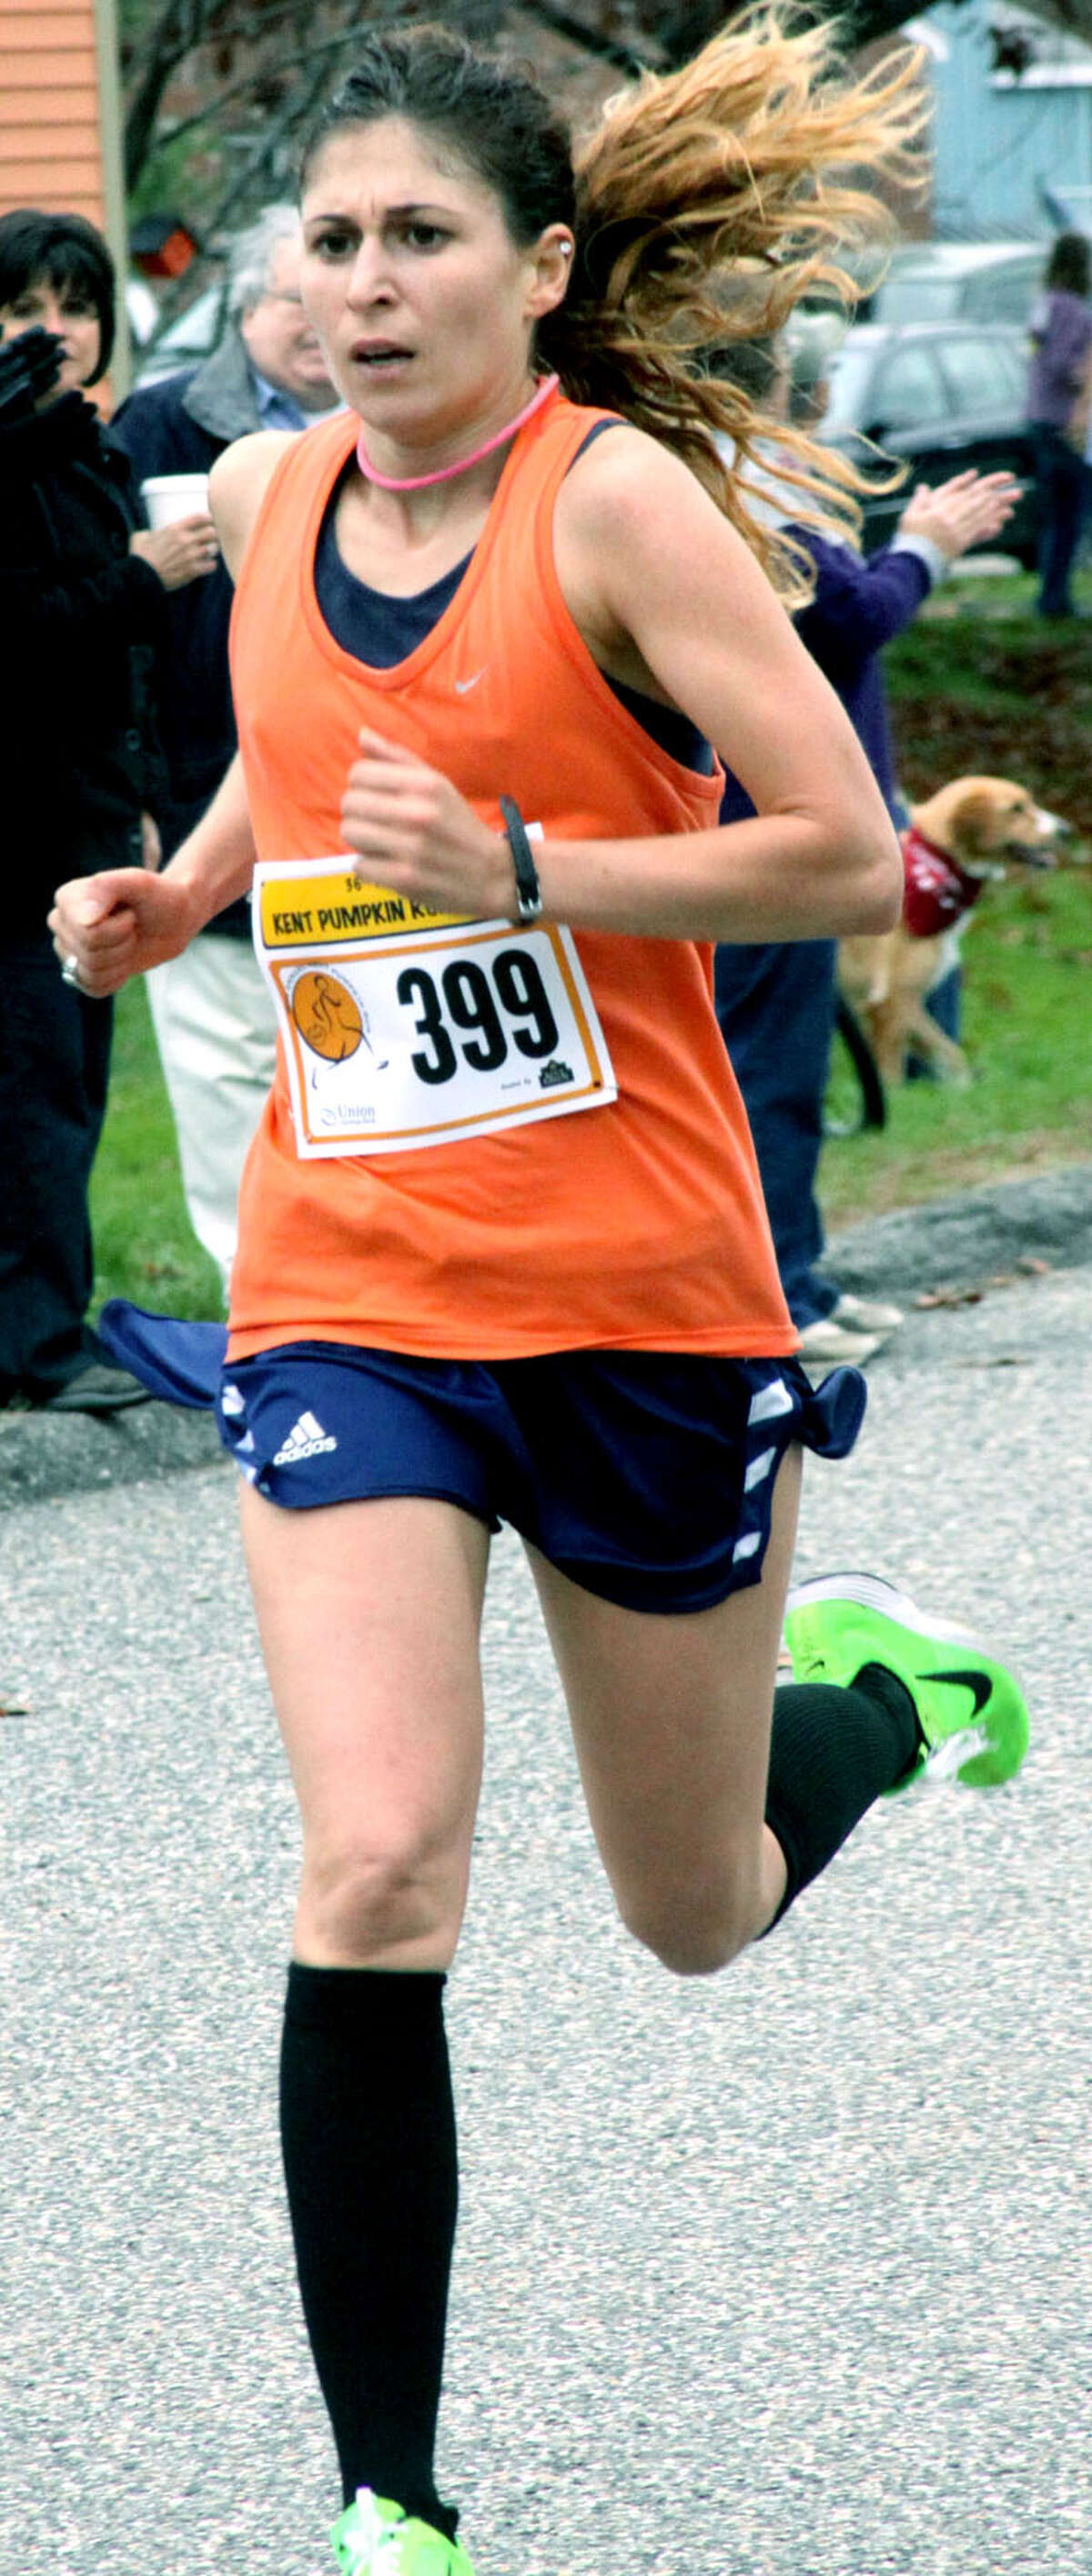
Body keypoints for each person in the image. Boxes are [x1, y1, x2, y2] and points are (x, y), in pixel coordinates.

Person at [50, 24, 1030, 2573]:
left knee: (691, 1905)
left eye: (423, 238)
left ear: (542, 267)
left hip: (640, 1294)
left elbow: (845, 852)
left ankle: (881, 1696)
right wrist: (189, 889)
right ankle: (391, 2498)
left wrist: (529, 870)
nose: (368, 284)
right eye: (334, 241)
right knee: (378, 1853)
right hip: (354, 1280)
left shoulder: (617, 510)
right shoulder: (278, 495)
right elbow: (303, 747)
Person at [713, 338, 1020, 1364]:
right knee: (768, 1070)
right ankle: (773, 1299)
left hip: (777, 818)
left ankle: (797, 1275)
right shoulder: (747, 480)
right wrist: (926, 546)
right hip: (771, 825)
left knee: (787, 1061)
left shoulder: (738, 473)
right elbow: (847, 618)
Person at [111, 207, 341, 1293]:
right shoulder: (160, 429)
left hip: (361, 838)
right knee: (230, 1117)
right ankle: (272, 1335)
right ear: (248, 306)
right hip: (202, 805)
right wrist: (142, 790)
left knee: (354, 1097)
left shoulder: (395, 427)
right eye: (300, 298)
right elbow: (112, 639)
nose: (322, 323)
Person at [0, 207, 182, 1412]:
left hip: (90, 818)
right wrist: (142, 578)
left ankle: (47, 1325)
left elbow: (126, 674)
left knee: (73, 1080)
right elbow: (21, 638)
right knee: (35, 1093)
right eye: (24, 308)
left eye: (76, 307)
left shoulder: (90, 448)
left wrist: (145, 803)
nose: (56, 330)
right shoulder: (9, 460)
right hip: (18, 834)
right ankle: (35, 1349)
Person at [1026, 229, 1092, 621]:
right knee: (1070, 513)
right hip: (1064, 422)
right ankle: (1055, 600)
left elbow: (1036, 351)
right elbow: (1062, 363)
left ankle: (1051, 595)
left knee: (1056, 515)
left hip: (1038, 416)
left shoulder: (1044, 302)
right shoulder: (1072, 308)